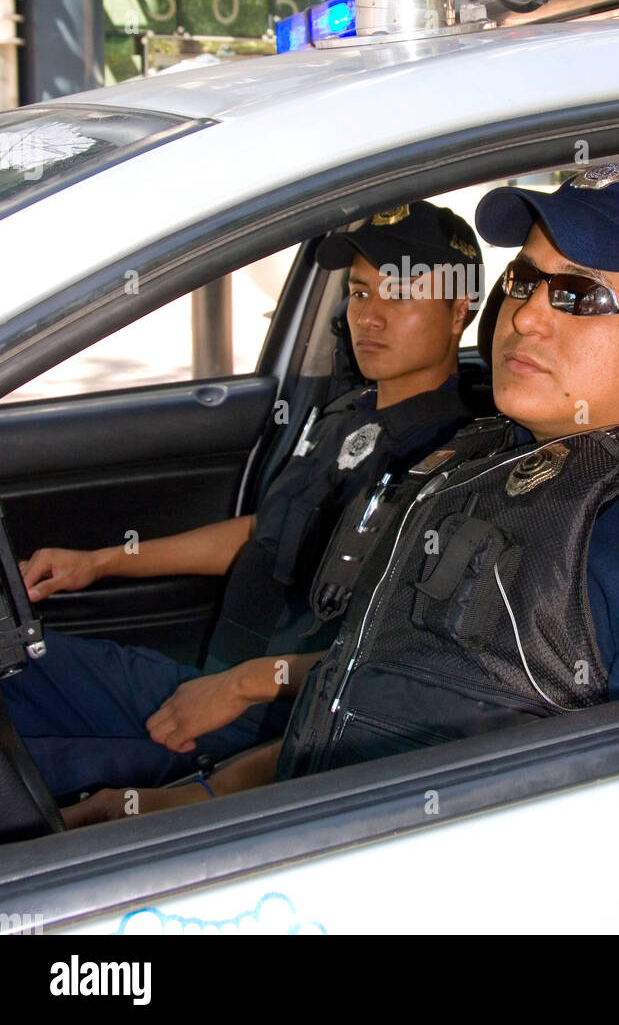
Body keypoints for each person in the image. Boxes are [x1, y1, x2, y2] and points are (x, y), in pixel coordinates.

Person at [64, 162, 619, 825]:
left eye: (578, 296)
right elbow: (375, 696)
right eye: (524, 280)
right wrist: (208, 797)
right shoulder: (496, 461)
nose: (528, 315)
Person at [9, 201, 483, 801]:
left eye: (400, 294)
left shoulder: (460, 468)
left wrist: (246, 687)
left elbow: (407, 661)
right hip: (208, 686)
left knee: (28, 778)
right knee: (15, 666)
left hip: (281, 735)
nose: (371, 317)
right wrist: (100, 561)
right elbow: (266, 530)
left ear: (459, 308)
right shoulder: (345, 414)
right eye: (361, 294)